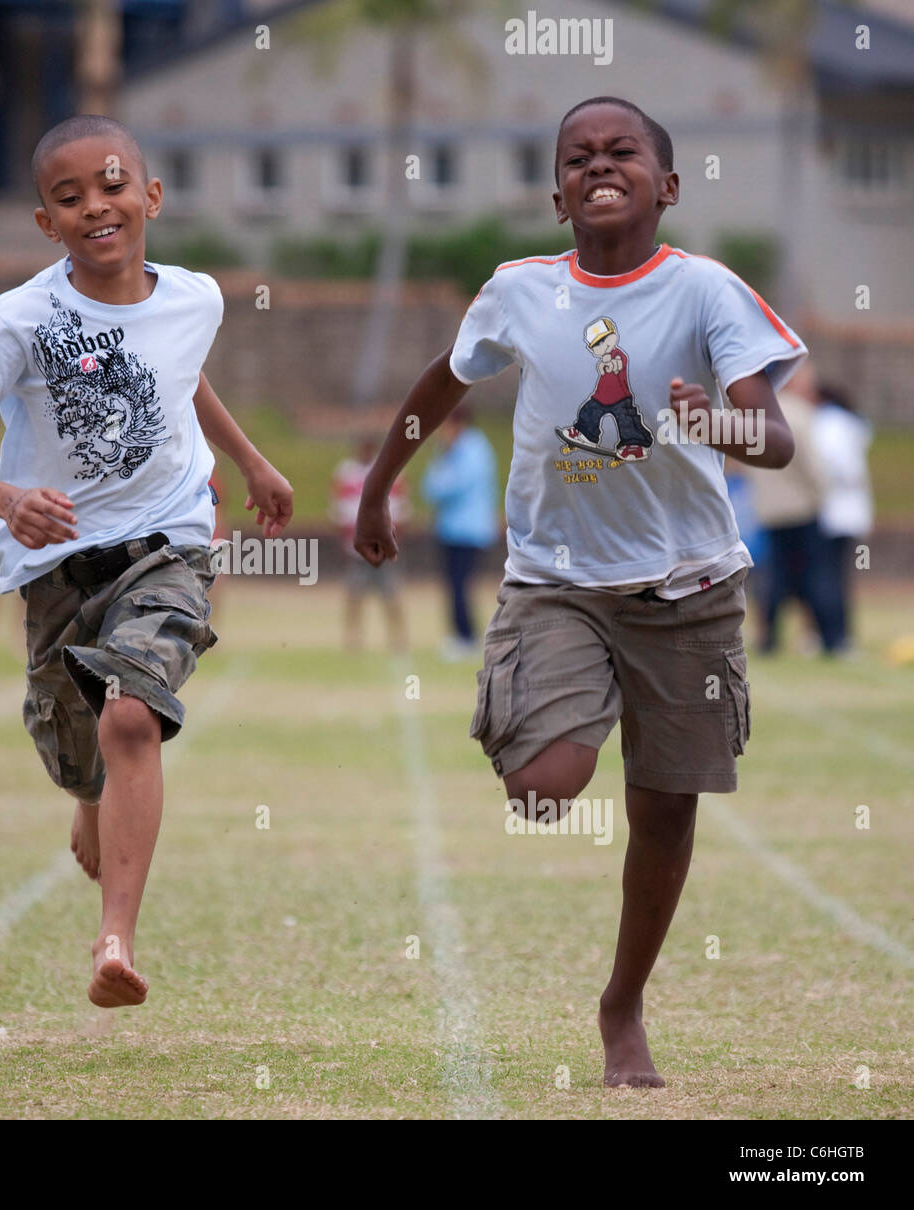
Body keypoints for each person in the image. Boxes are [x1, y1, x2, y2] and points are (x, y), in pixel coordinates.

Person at [356, 95, 805, 1088]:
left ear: (667, 185)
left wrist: (715, 425)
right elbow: (440, 386)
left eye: (622, 153)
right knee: (545, 788)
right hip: (554, 581)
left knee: (665, 812)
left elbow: (772, 439)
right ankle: (543, 704)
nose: (599, 166)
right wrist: (381, 490)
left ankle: (622, 1004)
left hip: (689, 588)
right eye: (577, 158)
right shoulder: (518, 291)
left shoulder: (707, 294)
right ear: (558, 193)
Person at [0, 115, 292, 1009]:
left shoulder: (196, 297)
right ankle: (86, 792)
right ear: (47, 222)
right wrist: (10, 502)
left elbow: (181, 374)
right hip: (58, 567)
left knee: (133, 718)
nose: (98, 207)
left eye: (114, 185)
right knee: (76, 750)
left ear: (152, 197)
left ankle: (115, 937)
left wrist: (249, 461)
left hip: (171, 543)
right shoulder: (19, 321)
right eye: (70, 197)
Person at [741, 362, 837, 654]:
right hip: (802, 509)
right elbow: (812, 465)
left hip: (769, 511)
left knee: (775, 577)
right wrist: (823, 493)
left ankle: (768, 639)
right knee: (816, 575)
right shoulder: (799, 413)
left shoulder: (756, 416)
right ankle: (831, 638)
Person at [421, 408, 498, 659]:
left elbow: (450, 487)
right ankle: (459, 635)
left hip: (469, 529)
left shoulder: (475, 449)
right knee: (454, 584)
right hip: (450, 529)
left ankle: (467, 637)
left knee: (460, 584)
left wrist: (443, 465)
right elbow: (429, 488)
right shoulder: (448, 451)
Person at [330, 436, 409, 651]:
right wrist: (344, 541)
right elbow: (339, 510)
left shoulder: (389, 471)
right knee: (354, 595)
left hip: (384, 547)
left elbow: (401, 510)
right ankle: (352, 640)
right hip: (356, 548)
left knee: (391, 595)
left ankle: (398, 639)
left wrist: (394, 543)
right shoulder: (345, 473)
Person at [814, 381, 872, 652]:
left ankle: (834, 637)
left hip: (832, 513)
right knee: (840, 577)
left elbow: (836, 465)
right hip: (850, 514)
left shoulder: (829, 424)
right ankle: (838, 635)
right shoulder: (851, 424)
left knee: (828, 578)